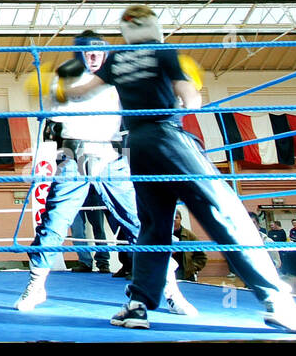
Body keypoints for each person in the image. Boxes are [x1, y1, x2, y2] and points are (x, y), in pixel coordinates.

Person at [55, 5, 296, 334]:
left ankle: (137, 306)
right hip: (168, 137)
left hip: (137, 145)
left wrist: (59, 87)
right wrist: (189, 100)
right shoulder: (163, 52)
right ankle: (277, 301)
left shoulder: (117, 59)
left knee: (153, 227)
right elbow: (189, 96)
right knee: (224, 212)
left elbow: (79, 93)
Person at [16, 32, 193, 316]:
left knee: (141, 223)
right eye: (88, 51)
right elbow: (54, 120)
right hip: (74, 156)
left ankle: (170, 289)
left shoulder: (120, 82)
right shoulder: (64, 79)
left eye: (99, 51)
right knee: (55, 223)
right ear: (81, 54)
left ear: (107, 54)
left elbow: (143, 107)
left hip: (114, 157)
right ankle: (37, 286)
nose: (94, 56)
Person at [172, 210, 207, 282]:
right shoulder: (161, 235)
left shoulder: (190, 235)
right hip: (168, 273)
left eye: (176, 217)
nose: (174, 220)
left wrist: (191, 268)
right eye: (172, 218)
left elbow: (202, 256)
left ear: (180, 219)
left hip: (185, 275)